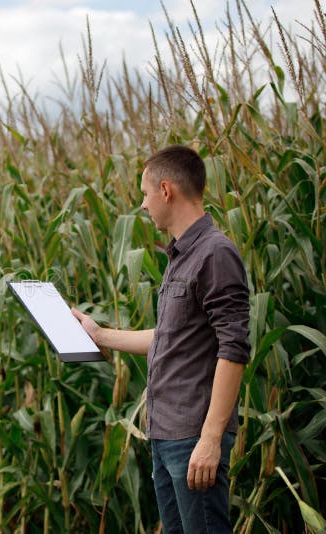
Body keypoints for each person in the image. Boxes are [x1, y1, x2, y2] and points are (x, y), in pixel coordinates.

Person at [71, 145, 250, 533]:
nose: (142, 203)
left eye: (144, 193)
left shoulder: (215, 254)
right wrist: (99, 334)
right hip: (165, 435)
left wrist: (210, 438)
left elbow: (233, 350)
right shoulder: (180, 258)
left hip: (192, 438)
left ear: (166, 190)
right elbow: (169, 338)